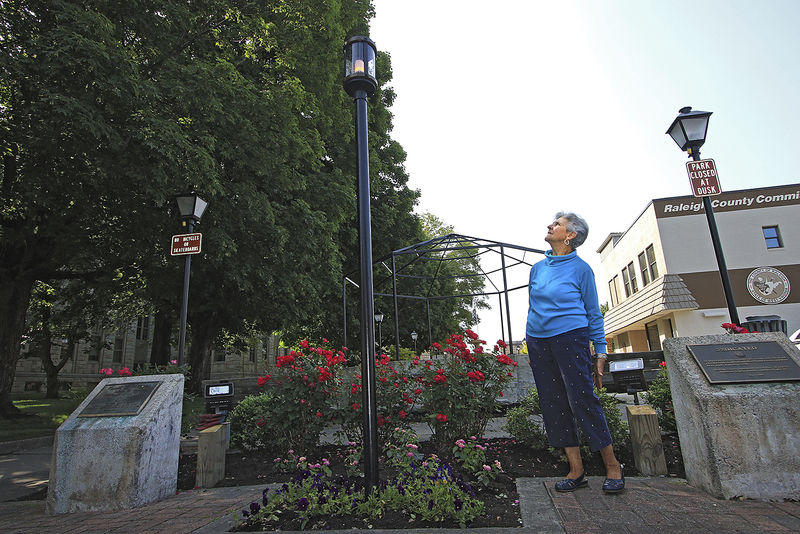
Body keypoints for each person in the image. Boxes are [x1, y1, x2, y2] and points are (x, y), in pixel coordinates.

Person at [525, 212, 624, 494]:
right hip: (538, 341)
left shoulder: (581, 269)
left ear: (570, 236)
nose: (549, 225)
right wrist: (530, 340)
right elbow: (532, 307)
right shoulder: (537, 268)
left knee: (582, 398)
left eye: (557, 224)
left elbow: (594, 313)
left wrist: (601, 352)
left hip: (571, 337)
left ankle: (612, 466)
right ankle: (576, 470)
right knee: (553, 402)